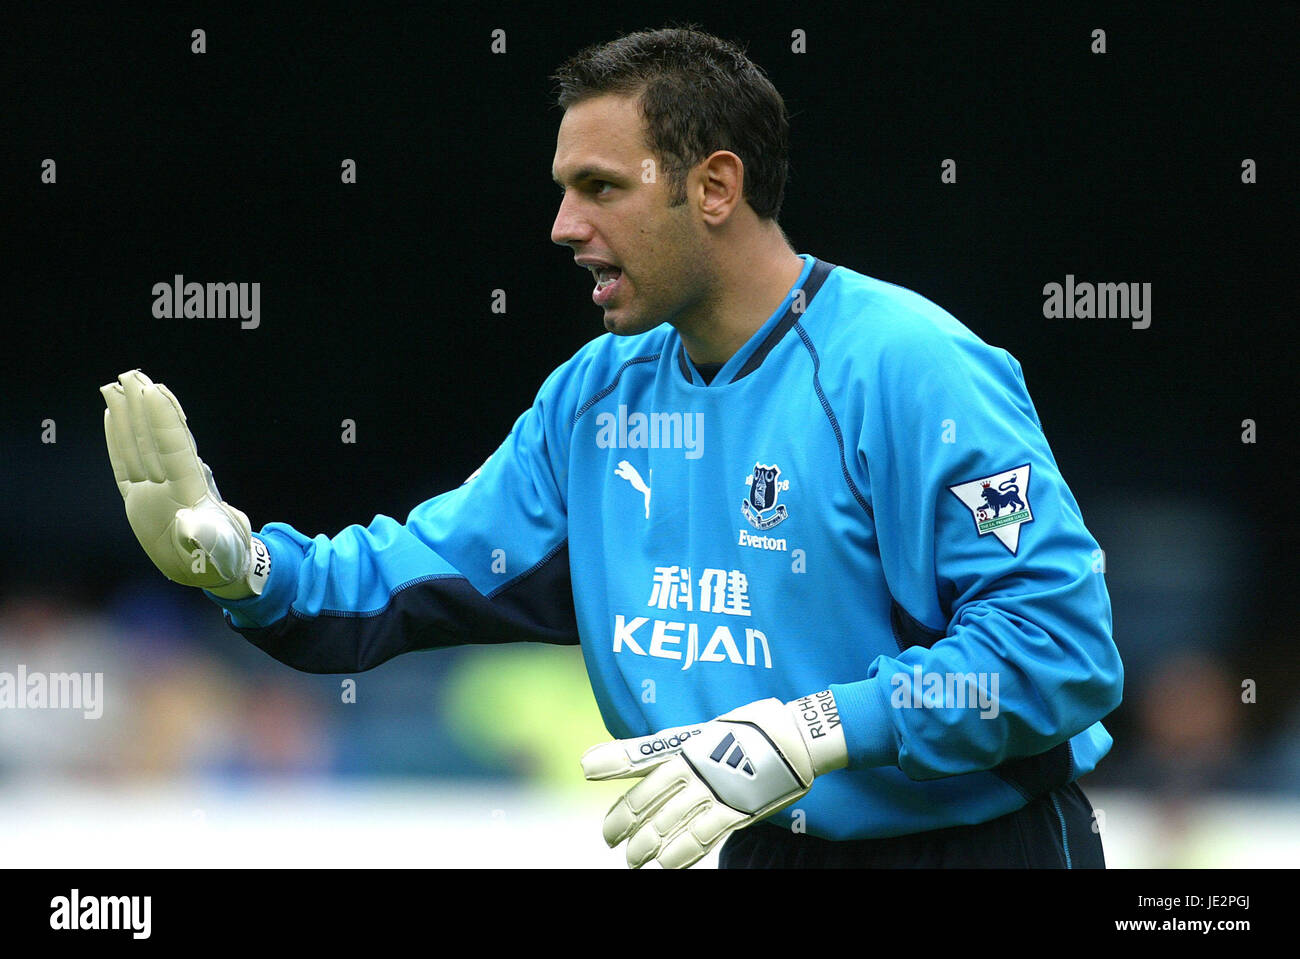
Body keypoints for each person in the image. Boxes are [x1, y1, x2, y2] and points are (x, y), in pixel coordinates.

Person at [101, 26, 1122, 869]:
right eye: (561, 188)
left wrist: (811, 729)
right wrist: (248, 566)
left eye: (597, 186)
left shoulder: (908, 366)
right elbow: (417, 571)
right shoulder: (595, 397)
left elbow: (1056, 651)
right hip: (755, 850)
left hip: (977, 851)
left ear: (714, 186)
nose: (559, 225)